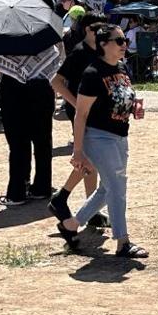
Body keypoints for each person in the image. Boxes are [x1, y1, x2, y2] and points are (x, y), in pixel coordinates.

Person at [54, 25, 145, 255]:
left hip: (120, 136)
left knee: (107, 188)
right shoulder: (93, 73)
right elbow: (81, 114)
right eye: (119, 41)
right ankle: (123, 242)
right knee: (117, 188)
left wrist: (134, 106)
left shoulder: (123, 68)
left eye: (125, 40)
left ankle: (71, 225)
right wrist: (78, 151)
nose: (124, 44)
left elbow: (121, 97)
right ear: (103, 44)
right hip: (98, 137)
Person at [48, 14, 104, 227]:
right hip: (83, 112)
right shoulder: (80, 52)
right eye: (97, 28)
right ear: (87, 30)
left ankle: (89, 208)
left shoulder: (99, 50)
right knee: (90, 158)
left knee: (93, 160)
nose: (101, 32)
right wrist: (75, 104)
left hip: (95, 111)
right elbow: (57, 82)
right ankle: (62, 198)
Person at [0, 45, 60, 207]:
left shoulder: (4, 40)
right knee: (43, 142)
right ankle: (42, 188)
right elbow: (55, 65)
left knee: (18, 144)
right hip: (42, 89)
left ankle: (17, 193)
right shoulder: (45, 40)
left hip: (13, 91)